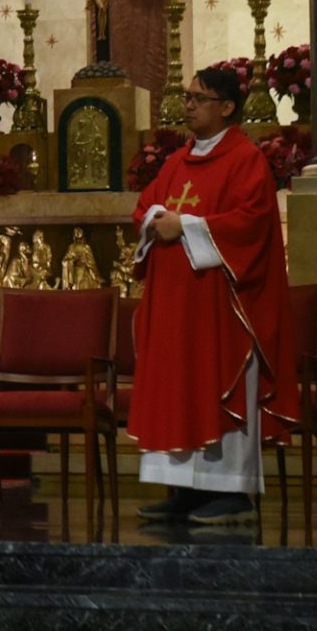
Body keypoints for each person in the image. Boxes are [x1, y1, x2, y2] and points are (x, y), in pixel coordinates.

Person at [131, 67, 296, 526]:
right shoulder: (176, 161)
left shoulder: (246, 159)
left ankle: (232, 492)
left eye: (199, 98)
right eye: (188, 96)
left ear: (226, 107)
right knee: (178, 386)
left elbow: (253, 222)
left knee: (216, 380)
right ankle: (183, 488)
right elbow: (146, 205)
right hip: (174, 304)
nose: (188, 105)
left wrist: (182, 225)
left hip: (222, 307)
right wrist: (158, 218)